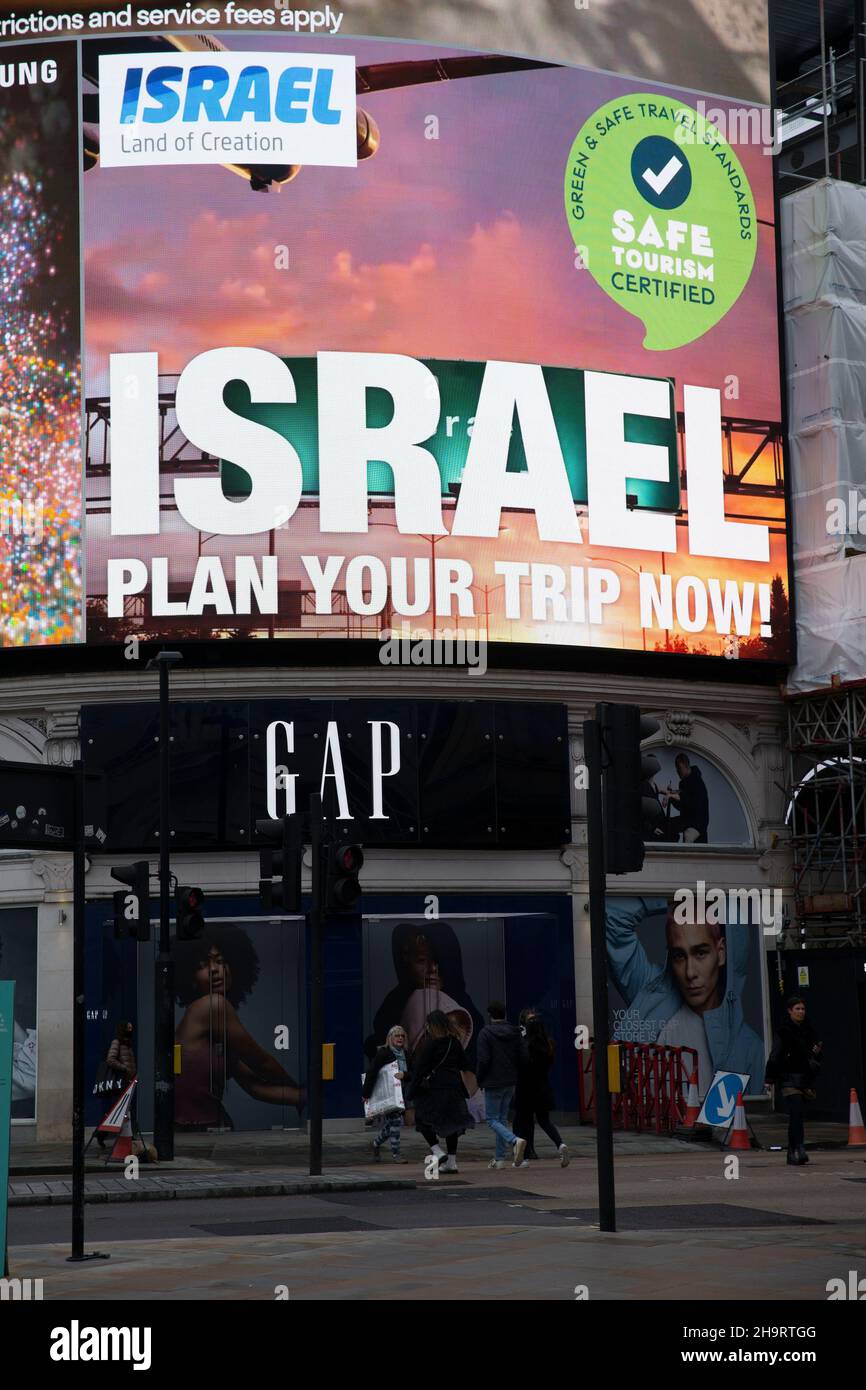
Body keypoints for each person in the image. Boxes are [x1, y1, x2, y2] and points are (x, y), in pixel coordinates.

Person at [606, 897, 765, 1099]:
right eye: (679, 956)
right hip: (652, 1126)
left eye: (700, 953)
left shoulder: (750, 1048)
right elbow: (611, 916)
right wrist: (672, 899)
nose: (690, 973)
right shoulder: (652, 992)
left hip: (708, 1127)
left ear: (721, 953)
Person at [174, 925, 304, 1130]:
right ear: (189, 977)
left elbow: (253, 1086)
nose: (214, 970)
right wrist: (299, 1089)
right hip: (193, 1131)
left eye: (220, 961)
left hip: (209, 1128)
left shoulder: (211, 1024)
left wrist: (302, 1097)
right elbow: (261, 1063)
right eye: (202, 965)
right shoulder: (211, 1007)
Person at [406, 1009, 474, 1173]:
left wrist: (411, 1092)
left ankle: (437, 1150)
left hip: (434, 1090)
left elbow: (421, 1069)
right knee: (452, 1125)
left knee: (422, 1120)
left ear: (432, 1026)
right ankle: (451, 1163)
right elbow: (465, 1065)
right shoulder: (455, 1043)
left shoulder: (431, 1044)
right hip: (454, 1088)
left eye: (428, 1025)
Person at [765, 996, 822, 1166]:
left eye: (803, 1009)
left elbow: (816, 1054)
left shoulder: (809, 1031)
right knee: (796, 1113)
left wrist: (817, 1055)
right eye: (797, 1009)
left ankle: (793, 1150)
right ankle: (798, 1148)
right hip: (788, 1078)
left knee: (799, 1116)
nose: (801, 1012)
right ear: (790, 1011)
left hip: (805, 1079)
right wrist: (769, 1079)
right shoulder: (783, 1031)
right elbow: (775, 1056)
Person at [476, 1001, 527, 1169]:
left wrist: (479, 1079)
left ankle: (514, 1140)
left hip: (492, 1081)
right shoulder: (515, 1032)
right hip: (510, 1081)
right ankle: (499, 1159)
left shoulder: (485, 1033)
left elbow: (483, 1060)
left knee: (491, 1119)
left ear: (490, 1016)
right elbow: (523, 1057)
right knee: (502, 1119)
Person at [514, 1011, 569, 1167]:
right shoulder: (548, 1044)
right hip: (543, 1088)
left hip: (526, 1089)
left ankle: (523, 1157)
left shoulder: (526, 1045)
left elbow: (521, 1064)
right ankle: (560, 1144)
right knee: (545, 1121)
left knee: (524, 1122)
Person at [363, 1025, 410, 1164]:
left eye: (402, 1036)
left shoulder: (406, 1054)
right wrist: (366, 1093)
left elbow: (412, 1072)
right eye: (397, 1035)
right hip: (389, 1093)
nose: (400, 1038)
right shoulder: (383, 1053)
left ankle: (376, 1144)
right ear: (390, 1038)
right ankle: (396, 1155)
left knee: (392, 1124)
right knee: (395, 1122)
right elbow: (372, 1072)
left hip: (402, 1092)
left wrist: (405, 1075)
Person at [665, 753, 710, 843]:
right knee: (666, 824)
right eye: (676, 768)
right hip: (687, 819)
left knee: (685, 834)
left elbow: (693, 803)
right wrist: (673, 798)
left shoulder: (697, 781)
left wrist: (676, 796)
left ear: (686, 765)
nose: (677, 771)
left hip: (696, 822)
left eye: (679, 768)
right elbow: (681, 805)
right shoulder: (683, 783)